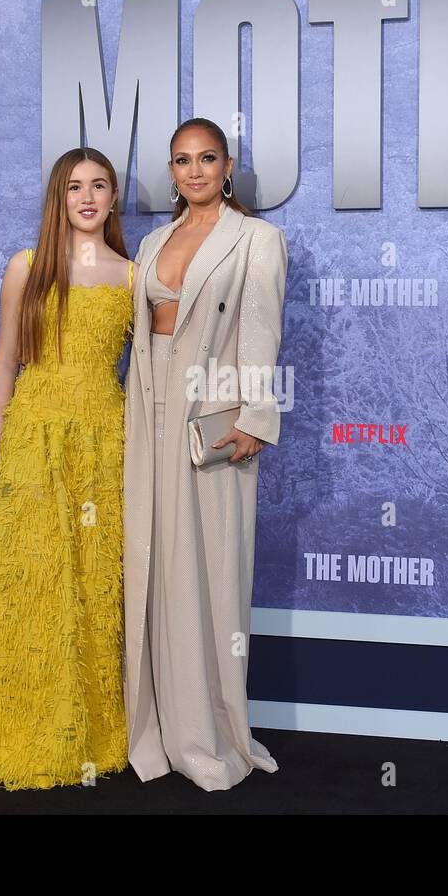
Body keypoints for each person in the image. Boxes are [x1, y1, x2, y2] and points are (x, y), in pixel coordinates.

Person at [0, 147, 135, 789]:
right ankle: (7, 722)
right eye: (74, 187)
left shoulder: (133, 274)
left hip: (103, 440)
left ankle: (93, 729)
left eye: (99, 186)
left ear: (113, 196)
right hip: (34, 435)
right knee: (28, 576)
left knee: (94, 579)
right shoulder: (26, 267)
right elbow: (4, 362)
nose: (87, 198)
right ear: (58, 197)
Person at [123, 117, 290, 791]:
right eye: (182, 160)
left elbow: (260, 329)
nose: (194, 170)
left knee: (210, 565)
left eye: (207, 158)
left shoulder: (257, 239)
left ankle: (212, 735)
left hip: (210, 410)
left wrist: (254, 415)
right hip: (146, 402)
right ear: (172, 170)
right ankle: (156, 730)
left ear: (228, 166)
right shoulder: (154, 239)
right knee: (151, 560)